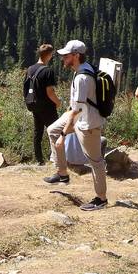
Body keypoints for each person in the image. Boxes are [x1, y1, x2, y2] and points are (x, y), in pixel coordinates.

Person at [44, 40, 108, 211]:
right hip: (80, 116)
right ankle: (62, 173)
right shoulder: (82, 69)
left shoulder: (82, 78)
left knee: (96, 161)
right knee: (52, 130)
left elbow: (77, 110)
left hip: (88, 123)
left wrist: (64, 136)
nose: (63, 58)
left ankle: (101, 199)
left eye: (66, 55)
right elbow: (76, 106)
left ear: (76, 56)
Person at [23, 44, 59, 163]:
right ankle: (55, 158)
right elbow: (50, 92)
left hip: (34, 105)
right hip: (47, 107)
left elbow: (25, 87)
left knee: (37, 133)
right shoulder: (48, 71)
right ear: (48, 55)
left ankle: (39, 160)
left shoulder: (29, 69)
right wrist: (58, 102)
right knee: (55, 132)